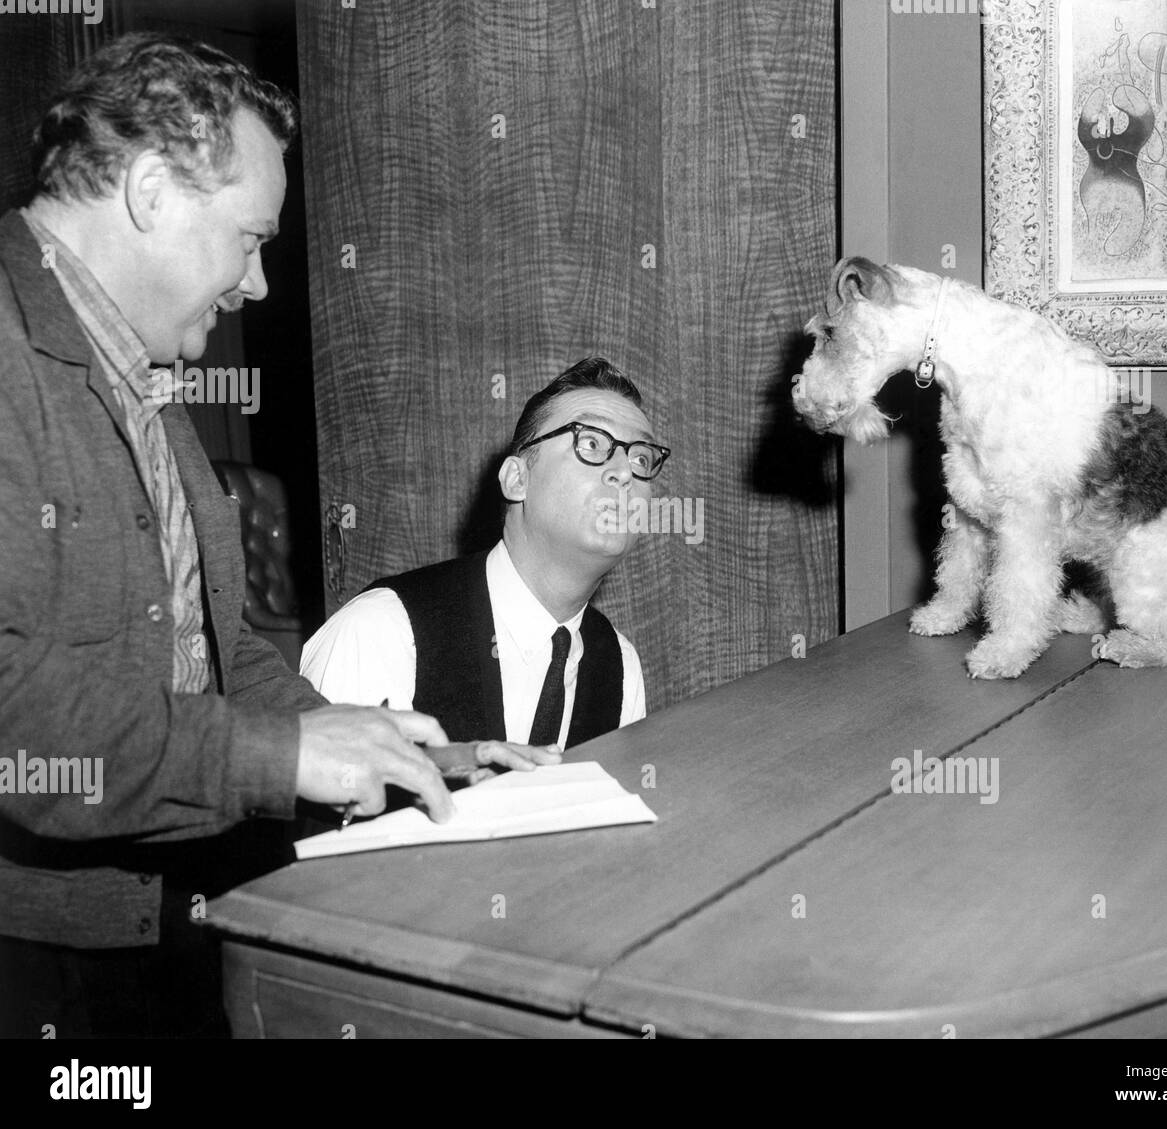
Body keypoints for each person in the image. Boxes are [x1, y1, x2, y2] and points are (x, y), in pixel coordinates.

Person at [0, 32, 554, 1039]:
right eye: (250, 239)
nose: (256, 284)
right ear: (153, 192)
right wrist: (280, 752)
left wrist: (385, 750)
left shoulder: (138, 368)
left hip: (145, 926)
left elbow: (218, 651)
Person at [301, 358, 668, 750]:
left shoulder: (620, 664)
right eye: (592, 443)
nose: (625, 472)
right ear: (517, 480)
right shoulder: (379, 633)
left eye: (641, 458)